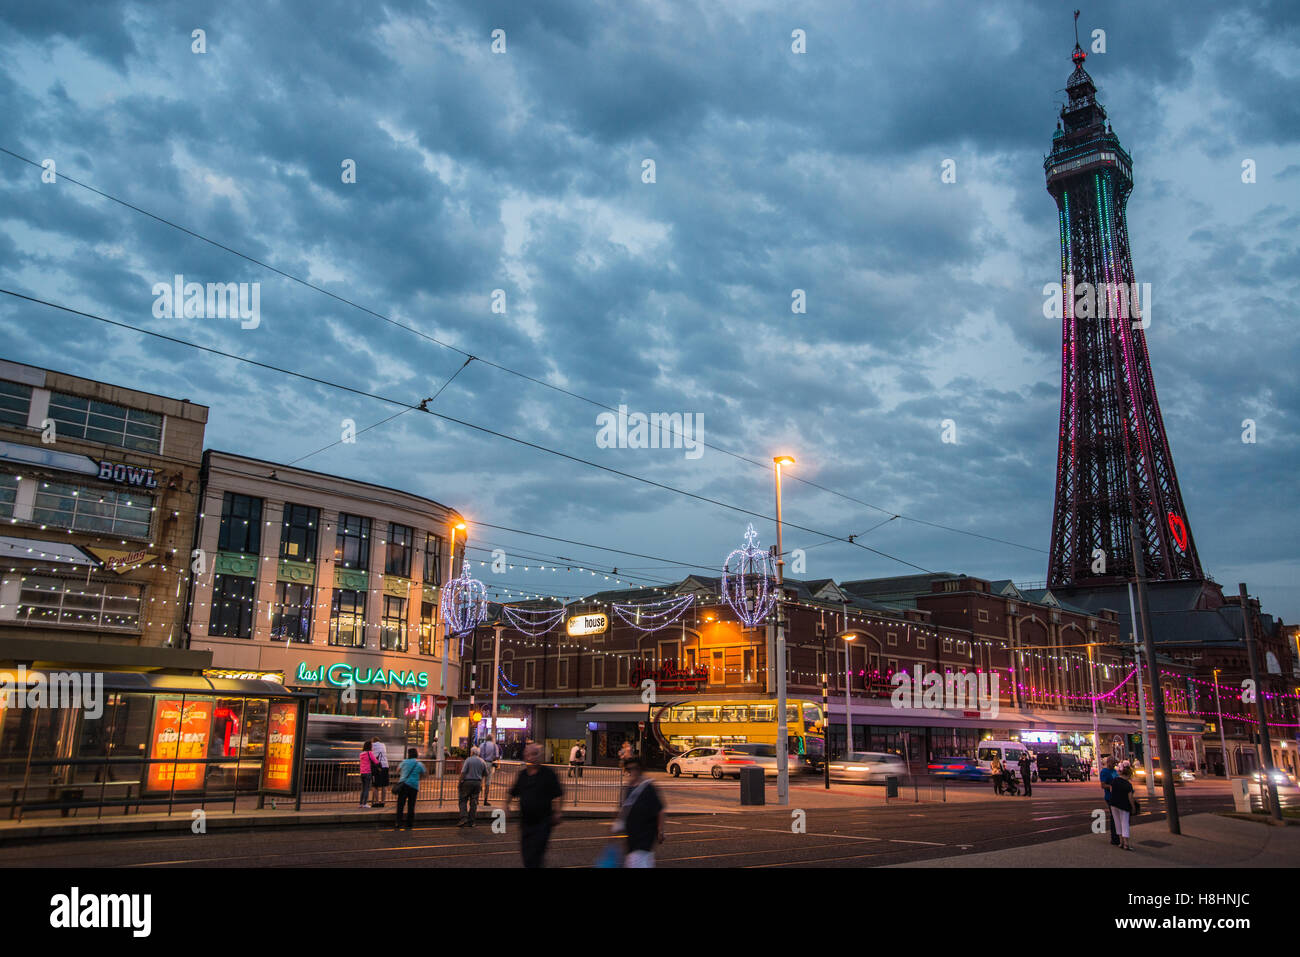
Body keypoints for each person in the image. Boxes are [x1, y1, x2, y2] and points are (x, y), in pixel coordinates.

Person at [507, 742, 564, 867]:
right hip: (526, 822)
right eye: (529, 754)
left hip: (543, 822)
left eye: (535, 754)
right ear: (525, 756)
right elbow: (512, 791)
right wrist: (506, 807)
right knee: (527, 854)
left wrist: (558, 811)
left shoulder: (549, 774)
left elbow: (558, 794)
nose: (532, 757)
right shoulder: (522, 775)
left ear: (541, 756)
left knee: (536, 853)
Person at [617, 757, 666, 868]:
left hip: (645, 837)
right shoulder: (628, 788)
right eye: (628, 770)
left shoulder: (649, 787)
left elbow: (659, 810)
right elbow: (624, 809)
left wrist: (660, 830)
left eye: (634, 769)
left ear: (640, 769)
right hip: (631, 838)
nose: (632, 772)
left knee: (639, 861)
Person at [394, 747, 426, 829]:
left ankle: (398, 822)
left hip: (403, 785)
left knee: (400, 805)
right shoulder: (419, 764)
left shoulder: (404, 762)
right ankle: (409, 823)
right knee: (411, 805)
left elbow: (397, 770)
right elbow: (425, 774)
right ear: (416, 754)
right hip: (414, 786)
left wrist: (403, 773)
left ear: (409, 754)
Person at [458, 746, 487, 827]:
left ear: (472, 752)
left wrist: (459, 782)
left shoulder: (468, 760)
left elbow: (463, 772)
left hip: (467, 782)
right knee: (474, 802)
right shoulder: (482, 761)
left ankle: (464, 818)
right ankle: (472, 821)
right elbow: (486, 773)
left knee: (463, 800)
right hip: (477, 783)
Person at [1110, 764, 1136, 850]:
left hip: (1113, 804)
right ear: (1128, 775)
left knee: (1117, 823)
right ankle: (1126, 844)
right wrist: (1133, 807)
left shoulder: (1114, 780)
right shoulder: (1128, 785)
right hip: (1124, 805)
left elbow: (1111, 790)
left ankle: (1121, 842)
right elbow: (1130, 797)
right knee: (1125, 823)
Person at [1099, 756, 1119, 846]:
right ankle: (1114, 838)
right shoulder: (1104, 772)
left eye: (1115, 763)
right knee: (1114, 817)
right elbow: (1103, 785)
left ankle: (1117, 836)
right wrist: (1112, 787)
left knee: (1116, 817)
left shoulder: (1114, 771)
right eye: (1113, 763)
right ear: (1108, 762)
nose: (1114, 765)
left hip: (1116, 796)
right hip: (1109, 796)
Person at [479, 735, 500, 805]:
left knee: (479, 780)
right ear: (492, 739)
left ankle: (476, 799)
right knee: (487, 782)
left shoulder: (482, 745)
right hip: (489, 764)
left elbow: (478, 754)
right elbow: (497, 756)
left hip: (481, 763)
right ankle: (485, 800)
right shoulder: (495, 746)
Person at [370, 738, 390, 808]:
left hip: (377, 767)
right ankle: (383, 801)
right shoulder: (383, 745)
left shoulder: (372, 745)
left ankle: (377, 801)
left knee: (375, 785)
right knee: (384, 785)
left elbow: (370, 755)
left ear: (373, 741)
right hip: (386, 766)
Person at [359, 740, 378, 808]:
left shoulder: (361, 754)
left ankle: (360, 804)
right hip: (368, 772)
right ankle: (365, 804)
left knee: (363, 789)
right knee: (367, 789)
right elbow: (375, 761)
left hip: (362, 773)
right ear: (369, 746)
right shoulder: (369, 753)